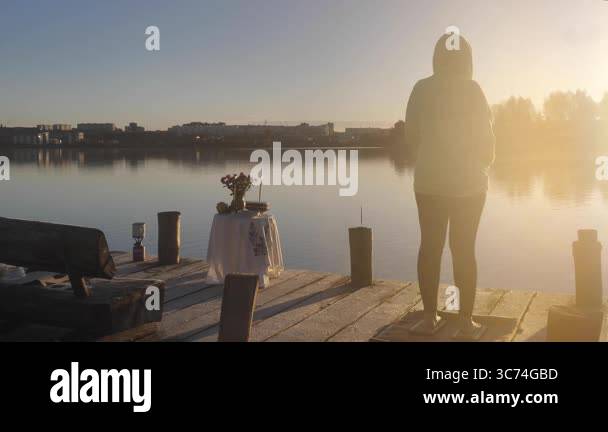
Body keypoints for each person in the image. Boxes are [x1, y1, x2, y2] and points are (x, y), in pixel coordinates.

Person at [405, 33, 495, 337]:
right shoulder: (473, 90)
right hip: (469, 185)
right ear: (467, 59)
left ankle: (429, 317)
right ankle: (466, 322)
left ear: (436, 58)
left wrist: (432, 155)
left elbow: (411, 138)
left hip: (429, 183)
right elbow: (488, 145)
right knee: (464, 250)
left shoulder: (421, 89)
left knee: (430, 248)